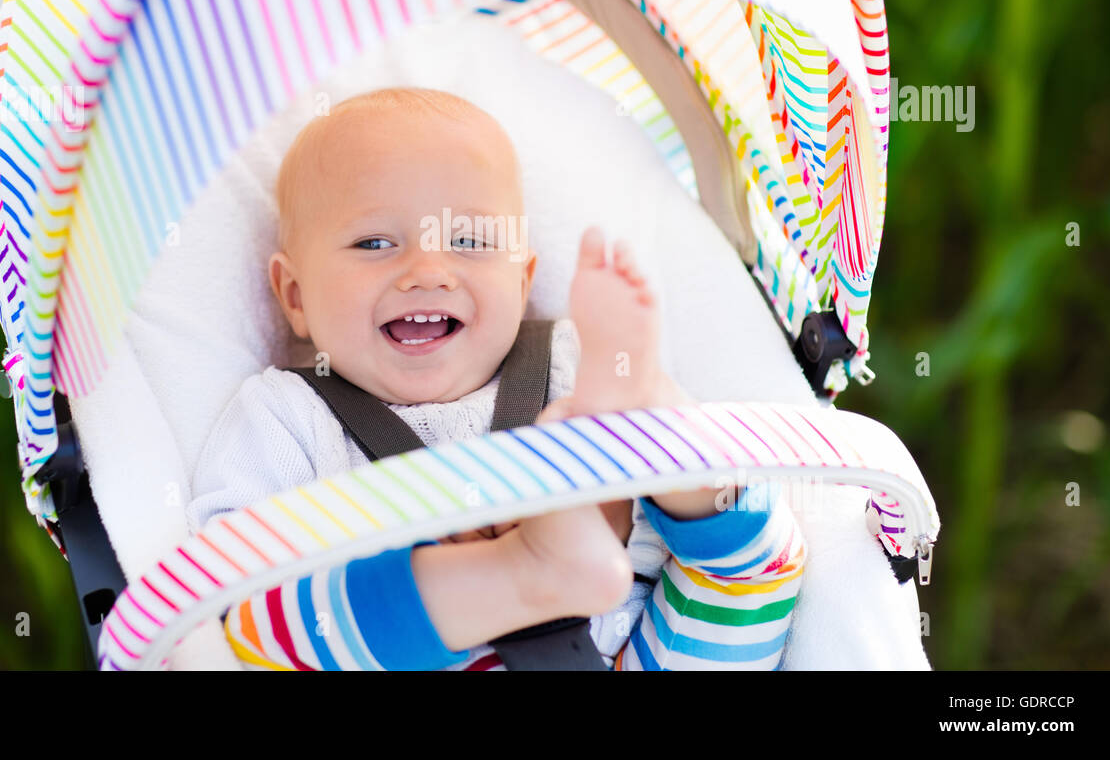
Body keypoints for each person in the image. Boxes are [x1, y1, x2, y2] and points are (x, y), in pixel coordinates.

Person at [186, 86, 806, 670]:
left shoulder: (570, 364)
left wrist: (632, 457)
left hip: (623, 649)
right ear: (295, 295)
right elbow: (229, 590)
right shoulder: (288, 417)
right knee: (252, 623)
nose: (427, 271)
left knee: (754, 559)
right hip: (422, 647)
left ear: (522, 280)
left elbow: (674, 557)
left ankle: (649, 414)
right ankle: (521, 574)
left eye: (470, 240)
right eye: (375, 243)